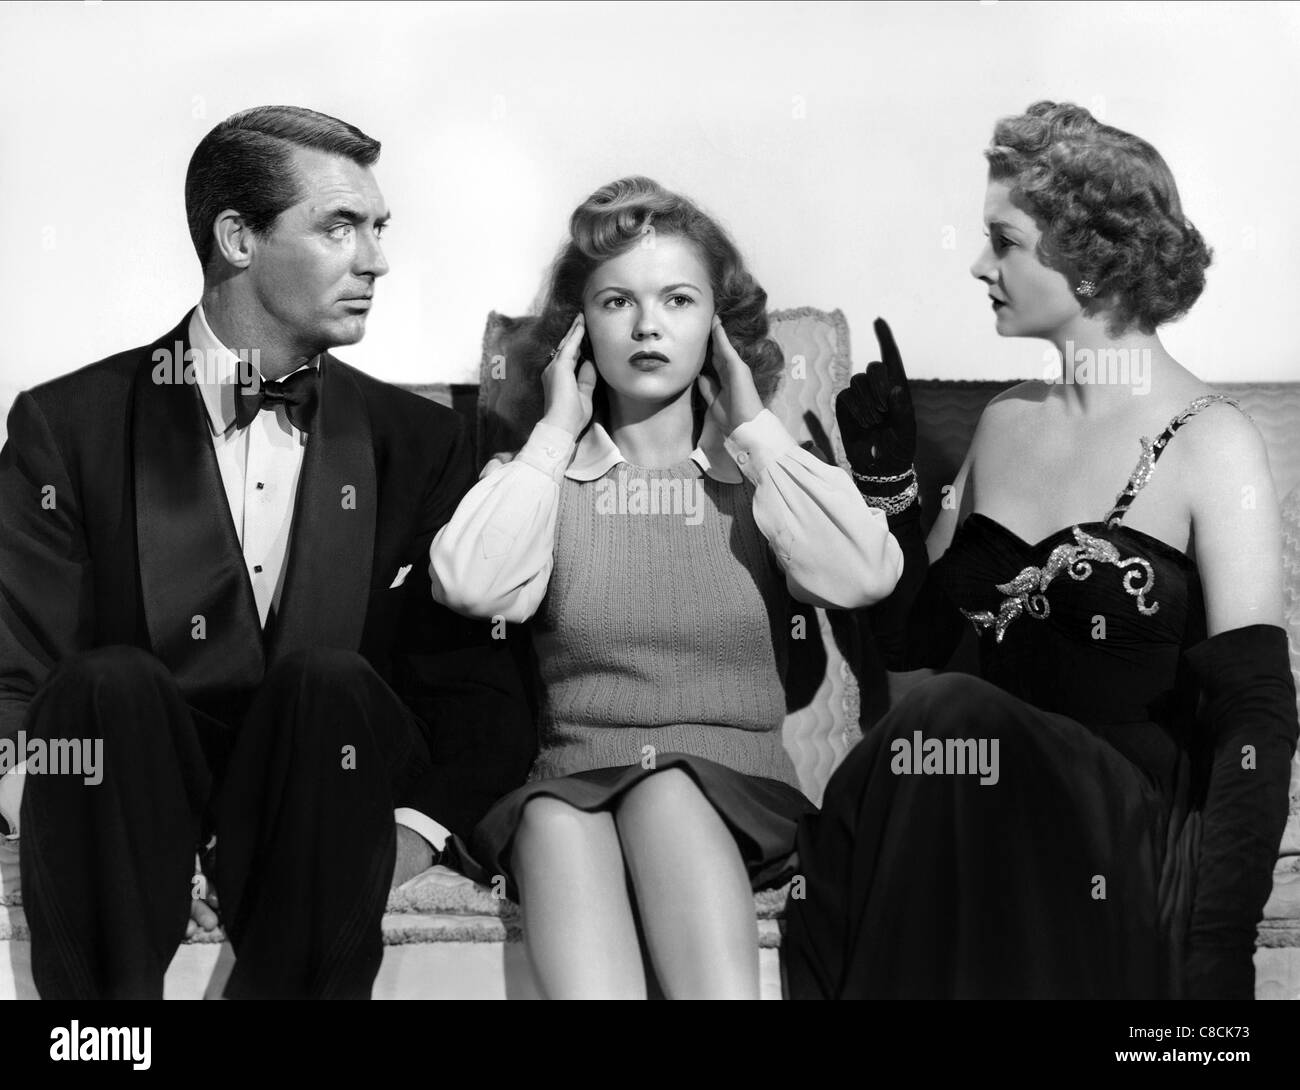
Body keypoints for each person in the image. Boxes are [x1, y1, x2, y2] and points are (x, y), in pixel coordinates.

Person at [0, 105, 533, 999]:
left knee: (330, 683)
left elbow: (478, 692)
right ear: (237, 238)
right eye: (339, 227)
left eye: (378, 229)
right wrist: (117, 840)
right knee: (103, 686)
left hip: (323, 795)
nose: (377, 260)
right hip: (135, 785)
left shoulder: (424, 441)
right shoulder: (68, 424)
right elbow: (12, 676)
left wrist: (402, 837)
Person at [783, 101, 1298, 1000]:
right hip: (982, 799)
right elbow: (915, 647)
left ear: (1089, 257)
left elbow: (1255, 718)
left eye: (1005, 241)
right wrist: (890, 485)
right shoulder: (1007, 422)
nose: (979, 266)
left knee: (947, 723)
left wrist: (1219, 940)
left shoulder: (1216, 444)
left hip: (1126, 825)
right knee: (940, 733)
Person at [429, 176, 903, 999]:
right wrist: (552, 435)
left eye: (679, 300)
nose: (648, 326)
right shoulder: (542, 478)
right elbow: (470, 587)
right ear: (579, 332)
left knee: (666, 796)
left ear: (717, 328)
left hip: (731, 791)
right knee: (545, 816)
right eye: (617, 303)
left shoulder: (760, 477)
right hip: (573, 785)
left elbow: (865, 576)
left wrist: (754, 430)